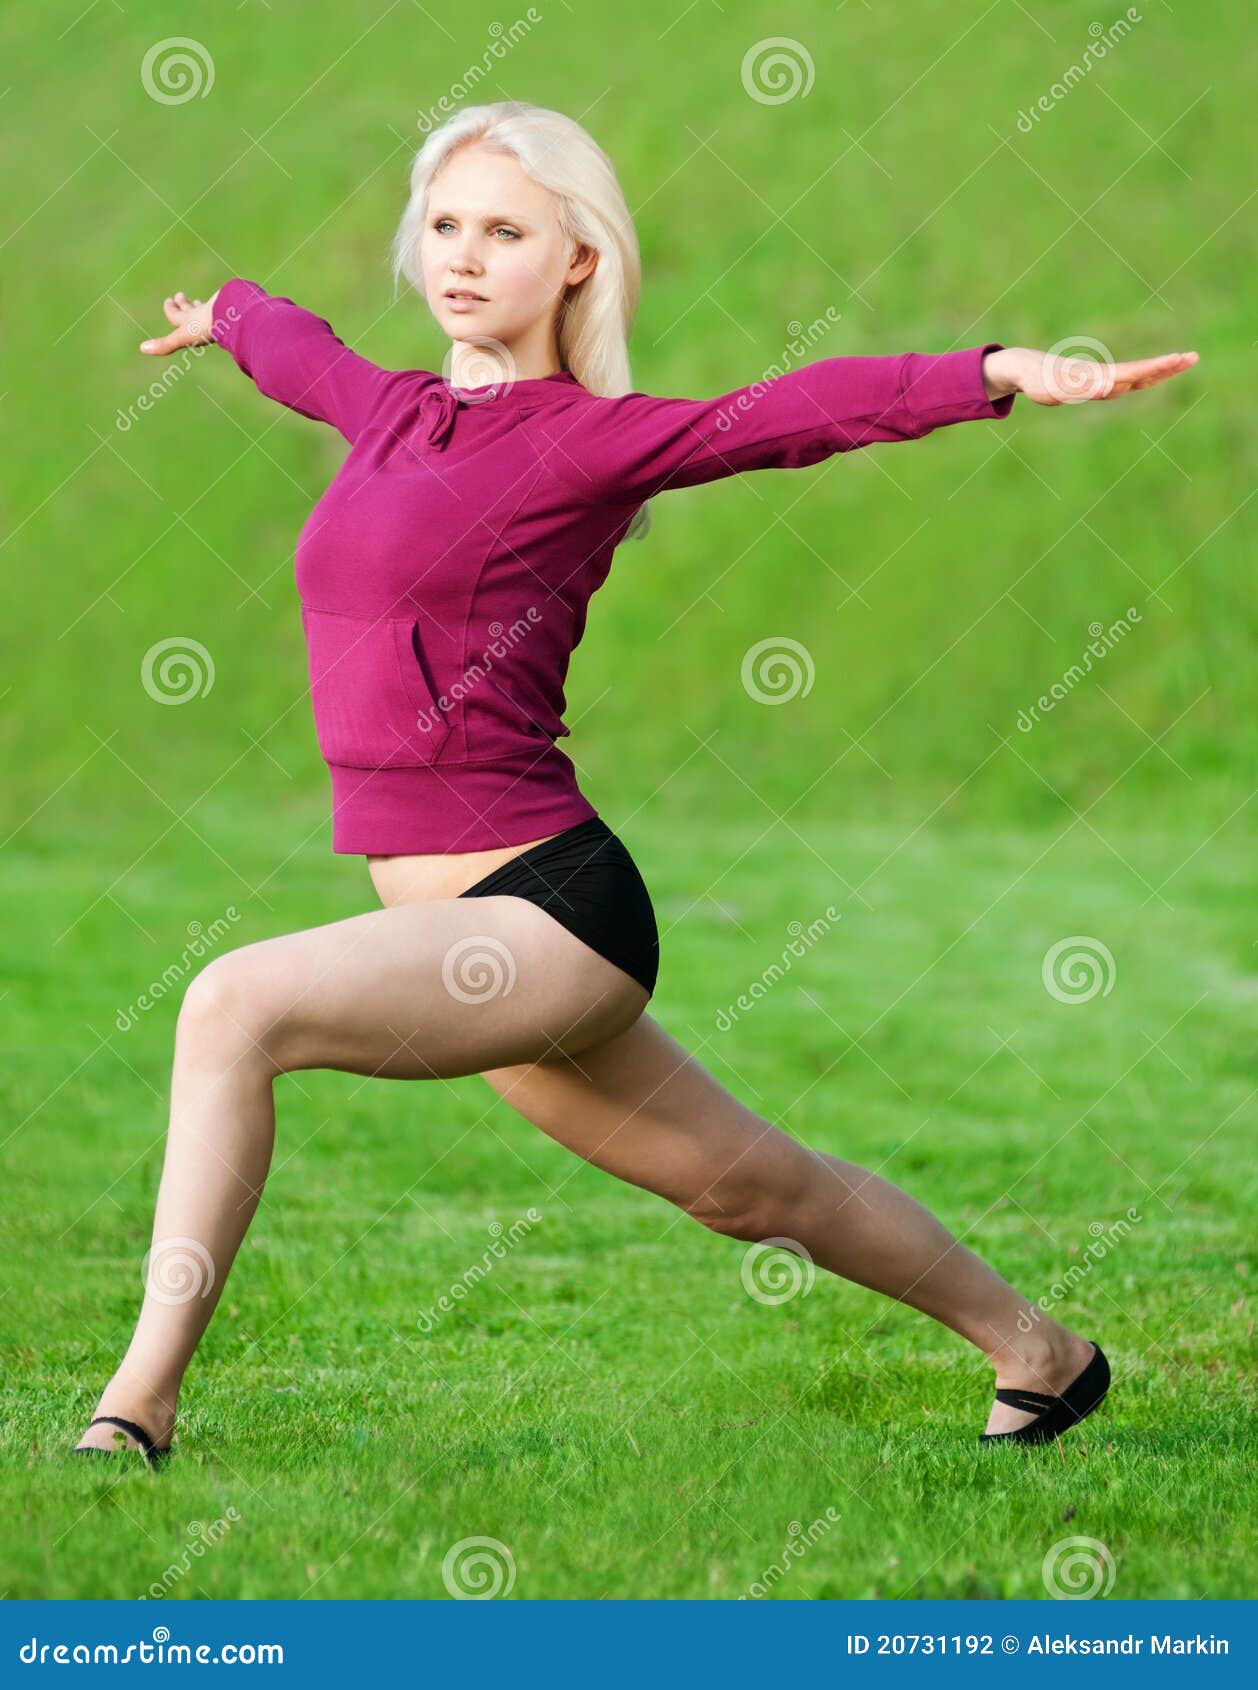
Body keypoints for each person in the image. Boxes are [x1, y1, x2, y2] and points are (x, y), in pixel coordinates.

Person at [74, 99, 1196, 1468]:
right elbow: (293, 344)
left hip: (546, 911)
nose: (463, 256)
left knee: (230, 1001)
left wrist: (999, 369)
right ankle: (1041, 1353)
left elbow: (791, 413)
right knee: (750, 1189)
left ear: (578, 261)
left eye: (505, 230)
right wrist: (225, 314)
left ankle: (137, 1403)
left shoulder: (586, 442)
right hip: (454, 929)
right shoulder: (385, 414)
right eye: (442, 226)